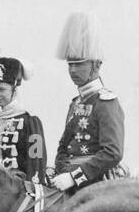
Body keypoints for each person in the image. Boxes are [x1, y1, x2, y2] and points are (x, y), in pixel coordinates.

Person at [52, 12, 124, 192]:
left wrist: (74, 177)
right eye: (70, 64)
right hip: (68, 181)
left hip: (97, 183)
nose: (73, 70)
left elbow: (112, 153)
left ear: (96, 65)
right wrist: (61, 172)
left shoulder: (106, 102)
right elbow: (63, 147)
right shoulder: (75, 102)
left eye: (79, 64)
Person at [0, 46, 46, 181]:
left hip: (21, 191)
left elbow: (36, 162)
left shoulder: (30, 120)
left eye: (2, 89)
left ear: (14, 90)